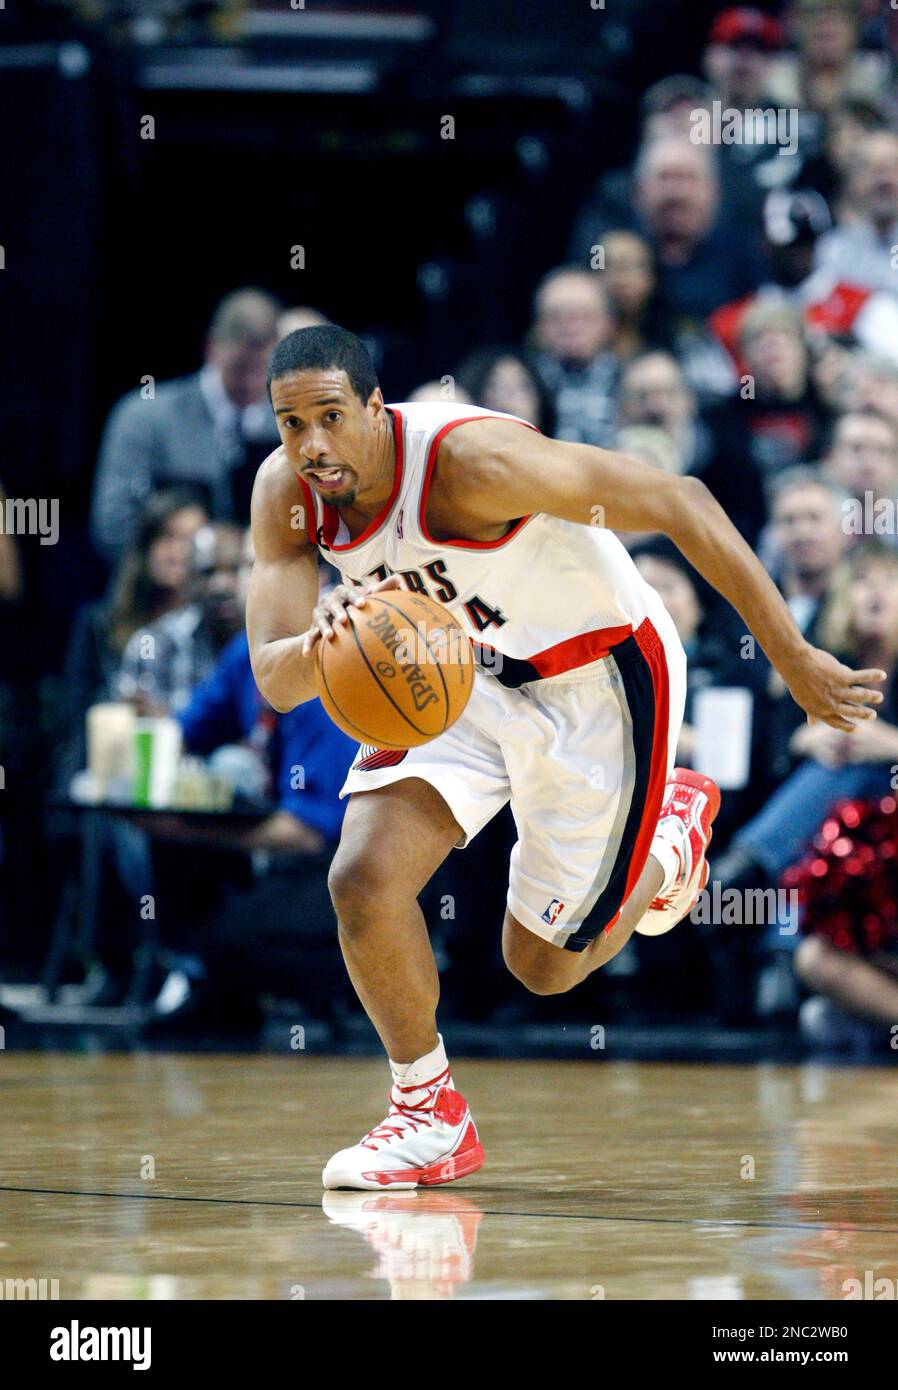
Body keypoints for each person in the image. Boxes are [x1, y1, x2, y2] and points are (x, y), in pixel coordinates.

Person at [247, 324, 884, 1191]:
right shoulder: (286, 494)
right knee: (361, 879)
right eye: (291, 424)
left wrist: (795, 657)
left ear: (373, 406)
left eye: (330, 416)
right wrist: (325, 645)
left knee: (541, 968)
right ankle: (427, 1113)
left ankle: (668, 841)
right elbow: (278, 678)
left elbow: (682, 500)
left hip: (598, 678)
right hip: (458, 672)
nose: (312, 444)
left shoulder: (474, 464)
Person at [90, 288, 282, 562]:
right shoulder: (145, 418)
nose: (251, 383)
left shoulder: (285, 427)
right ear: (212, 348)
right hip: (160, 595)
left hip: (253, 593)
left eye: (262, 369)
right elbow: (112, 526)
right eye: (240, 368)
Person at [117, 522, 244, 714]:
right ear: (188, 578)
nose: (221, 585)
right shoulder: (153, 644)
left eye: (234, 570)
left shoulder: (276, 640)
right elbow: (136, 724)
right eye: (207, 572)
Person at [527, 267, 619, 446]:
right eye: (557, 317)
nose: (570, 327)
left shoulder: (633, 379)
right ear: (538, 326)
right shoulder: (523, 384)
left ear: (608, 323)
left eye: (584, 316)